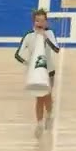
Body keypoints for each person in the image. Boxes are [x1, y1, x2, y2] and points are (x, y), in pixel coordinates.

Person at [16, 8, 61, 137]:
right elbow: (18, 54)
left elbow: (56, 49)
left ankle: (49, 114)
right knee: (39, 97)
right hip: (35, 73)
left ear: (46, 22)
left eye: (42, 20)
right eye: (37, 21)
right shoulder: (29, 36)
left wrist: (45, 37)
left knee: (46, 96)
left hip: (49, 71)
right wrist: (29, 64)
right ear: (33, 22)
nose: (40, 23)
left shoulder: (50, 33)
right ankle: (39, 123)